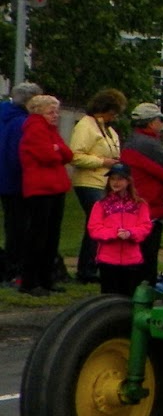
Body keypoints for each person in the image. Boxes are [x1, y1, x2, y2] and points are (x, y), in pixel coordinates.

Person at [121, 103, 163, 286]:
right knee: (148, 250)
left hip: (134, 201)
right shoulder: (149, 144)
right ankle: (145, 286)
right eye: (159, 120)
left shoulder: (132, 141)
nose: (161, 123)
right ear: (150, 123)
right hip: (149, 203)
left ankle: (135, 284)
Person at [18, 93, 74, 297]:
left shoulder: (50, 131)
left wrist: (57, 148)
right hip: (40, 189)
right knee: (38, 236)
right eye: (51, 112)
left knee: (51, 236)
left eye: (56, 111)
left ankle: (46, 278)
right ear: (39, 112)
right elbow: (47, 156)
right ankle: (30, 281)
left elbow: (68, 154)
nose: (55, 115)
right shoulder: (35, 129)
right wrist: (56, 149)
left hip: (55, 187)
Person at [68, 86, 126, 284]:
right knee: (98, 222)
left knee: (102, 223)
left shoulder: (108, 129)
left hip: (105, 181)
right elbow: (75, 156)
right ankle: (87, 269)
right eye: (112, 112)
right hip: (89, 181)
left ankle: (95, 265)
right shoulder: (86, 126)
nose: (114, 117)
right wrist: (102, 162)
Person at [87, 162, 151, 297]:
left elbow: (145, 226)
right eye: (112, 179)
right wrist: (114, 233)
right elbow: (94, 228)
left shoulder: (139, 204)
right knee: (109, 297)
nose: (116, 182)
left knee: (129, 297)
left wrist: (130, 233)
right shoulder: (101, 205)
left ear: (128, 181)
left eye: (120, 179)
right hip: (108, 260)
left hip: (132, 260)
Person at [0, 81, 41, 286]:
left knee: (12, 223)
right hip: (16, 180)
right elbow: (19, 155)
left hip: (4, 177)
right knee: (19, 226)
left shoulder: (4, 115)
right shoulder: (23, 123)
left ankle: (11, 264)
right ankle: (14, 267)